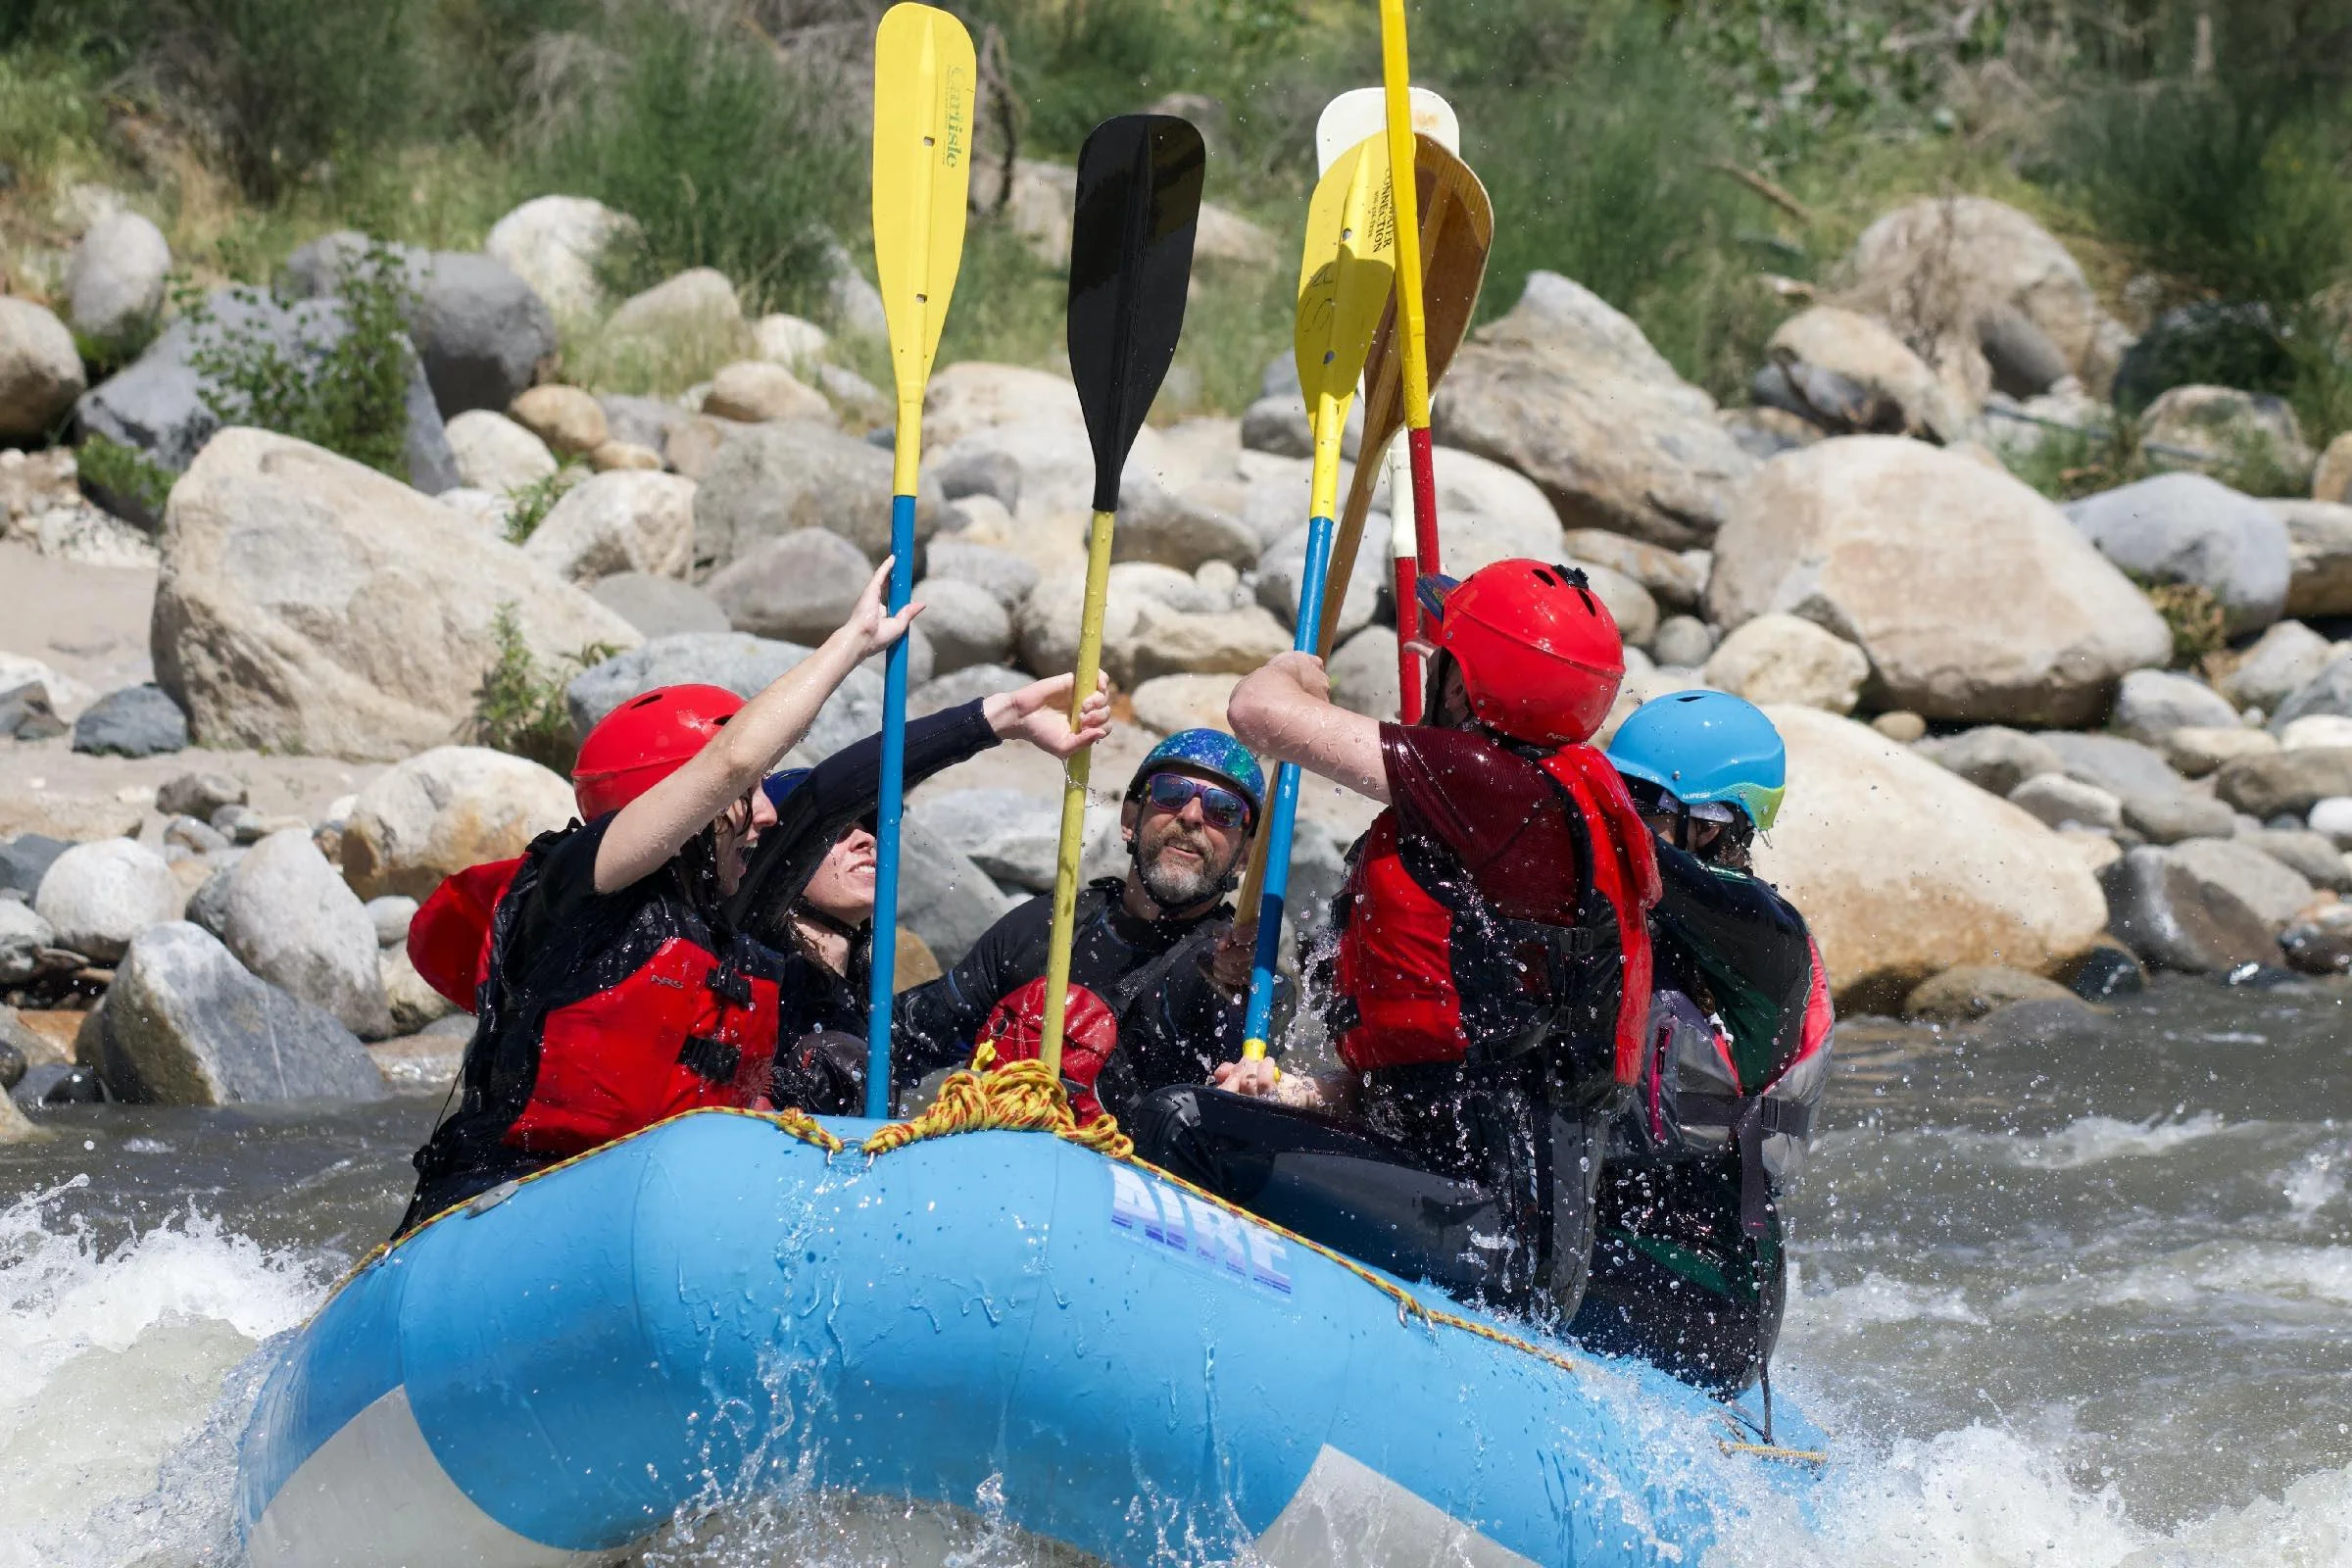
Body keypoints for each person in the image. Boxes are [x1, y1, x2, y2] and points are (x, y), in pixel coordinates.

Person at [1134, 560, 1662, 1325]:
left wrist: (1293, 672)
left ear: (1463, 683)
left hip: (1493, 1233)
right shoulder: (1544, 801)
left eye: (1444, 655)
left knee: (1178, 1123)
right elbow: (1454, 1072)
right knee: (1226, 1112)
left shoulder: (1487, 782)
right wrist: (1302, 1094)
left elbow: (1257, 711)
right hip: (1498, 1213)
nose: (1431, 666)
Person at [398, 561, 917, 1234]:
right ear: (681, 803)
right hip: (497, 1206)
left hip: (635, 1217)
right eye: (747, 796)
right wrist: (851, 643)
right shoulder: (576, 884)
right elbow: (730, 760)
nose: (764, 817)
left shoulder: (724, 945)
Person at [775, 727, 1275, 1121]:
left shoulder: (1243, 970)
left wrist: (1224, 988)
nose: (1191, 816)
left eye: (1223, 811)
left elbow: (1234, 1056)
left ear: (1244, 856)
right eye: (1170, 795)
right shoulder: (1048, 927)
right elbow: (909, 1037)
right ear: (1129, 818)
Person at [1567, 691, 1832, 1399]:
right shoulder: (1621, 920)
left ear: (1714, 828)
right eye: (1621, 791)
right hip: (1599, 1236)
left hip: (1707, 1285)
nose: (1622, 809)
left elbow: (1611, 838)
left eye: (1643, 798)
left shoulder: (1764, 936)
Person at [725, 673, 1111, 1109]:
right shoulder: (746, 948)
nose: (866, 840)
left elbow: (975, 991)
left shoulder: (867, 1015)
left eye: (869, 829)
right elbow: (822, 800)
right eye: (837, 832)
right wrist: (1001, 718)